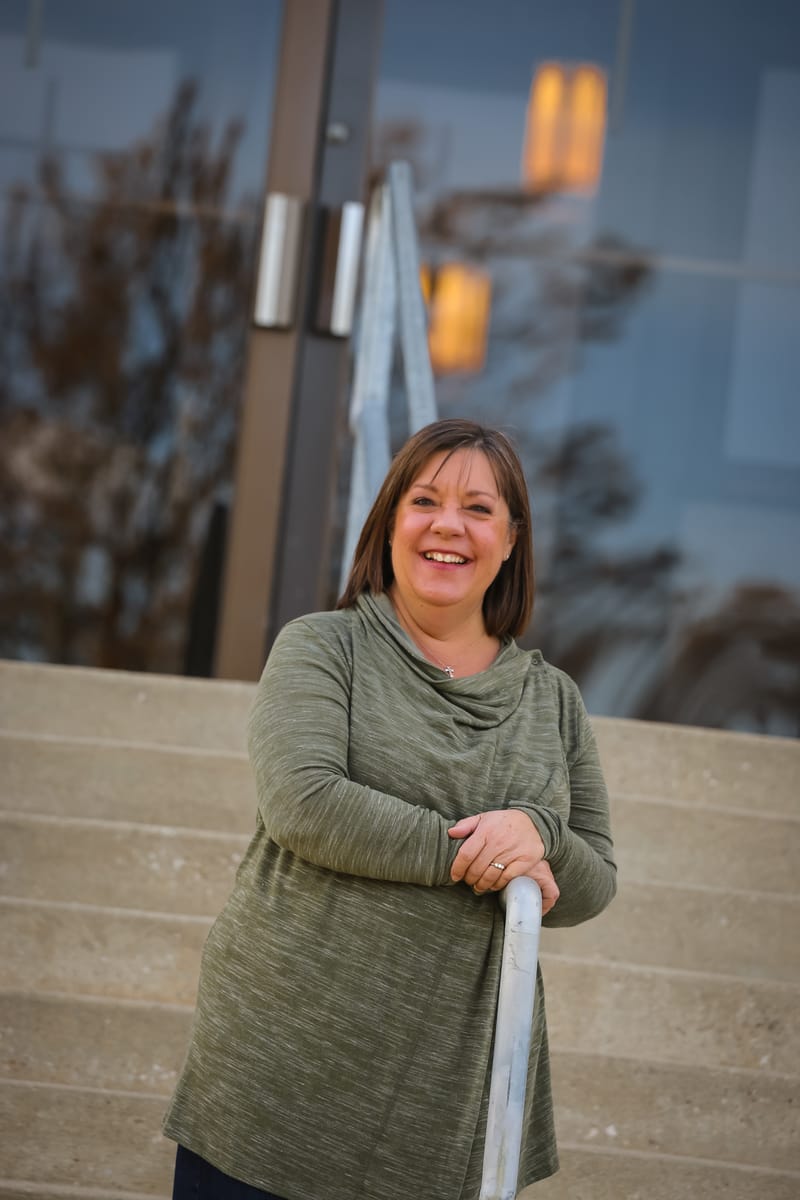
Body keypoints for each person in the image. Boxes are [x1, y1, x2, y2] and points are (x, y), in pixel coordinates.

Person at [163, 418, 617, 1200]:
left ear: (512, 540)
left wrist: (536, 830)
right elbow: (305, 803)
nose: (449, 525)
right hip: (277, 1071)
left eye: (479, 508)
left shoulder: (553, 701)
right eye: (424, 500)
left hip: (443, 1094)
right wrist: (482, 853)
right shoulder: (322, 647)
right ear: (390, 524)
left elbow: (593, 875)